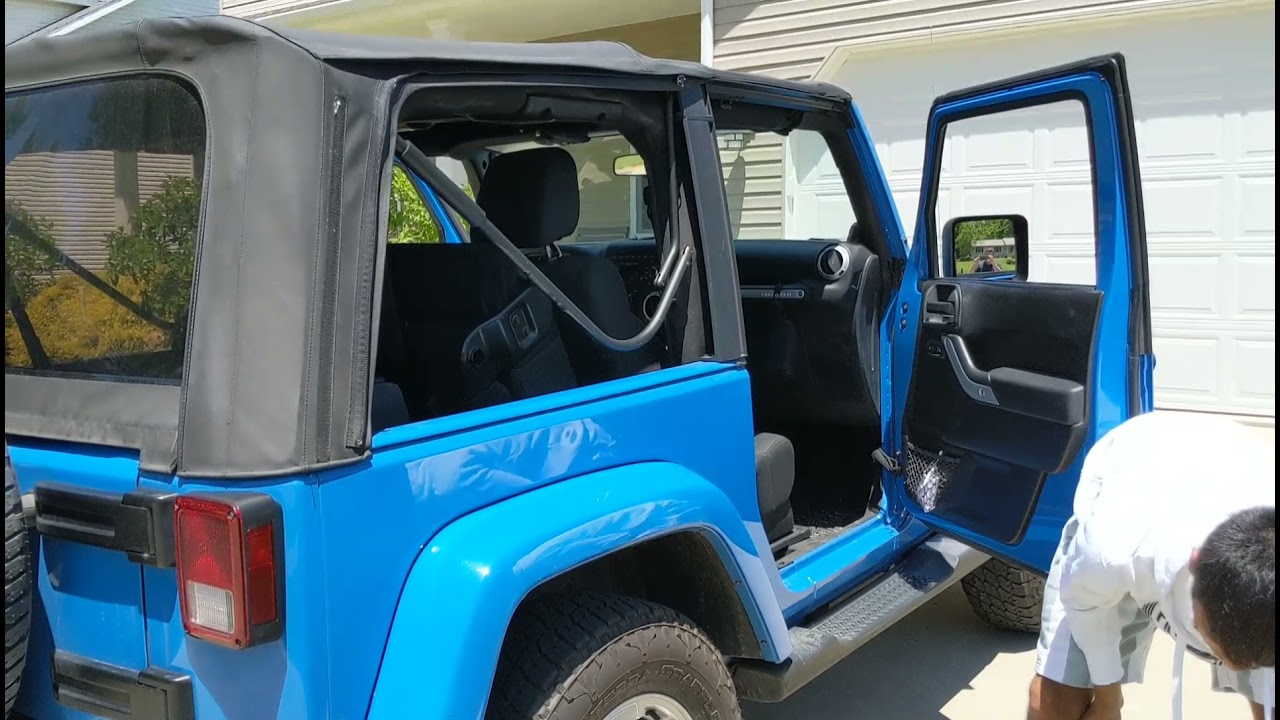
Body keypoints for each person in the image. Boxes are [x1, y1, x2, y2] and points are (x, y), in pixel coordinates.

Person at [1028, 411, 1275, 720]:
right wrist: (1108, 700)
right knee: (1051, 703)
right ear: (1196, 561)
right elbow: (1086, 607)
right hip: (1140, 464)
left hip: (1236, 465)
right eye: (1210, 638)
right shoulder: (1113, 545)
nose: (1221, 660)